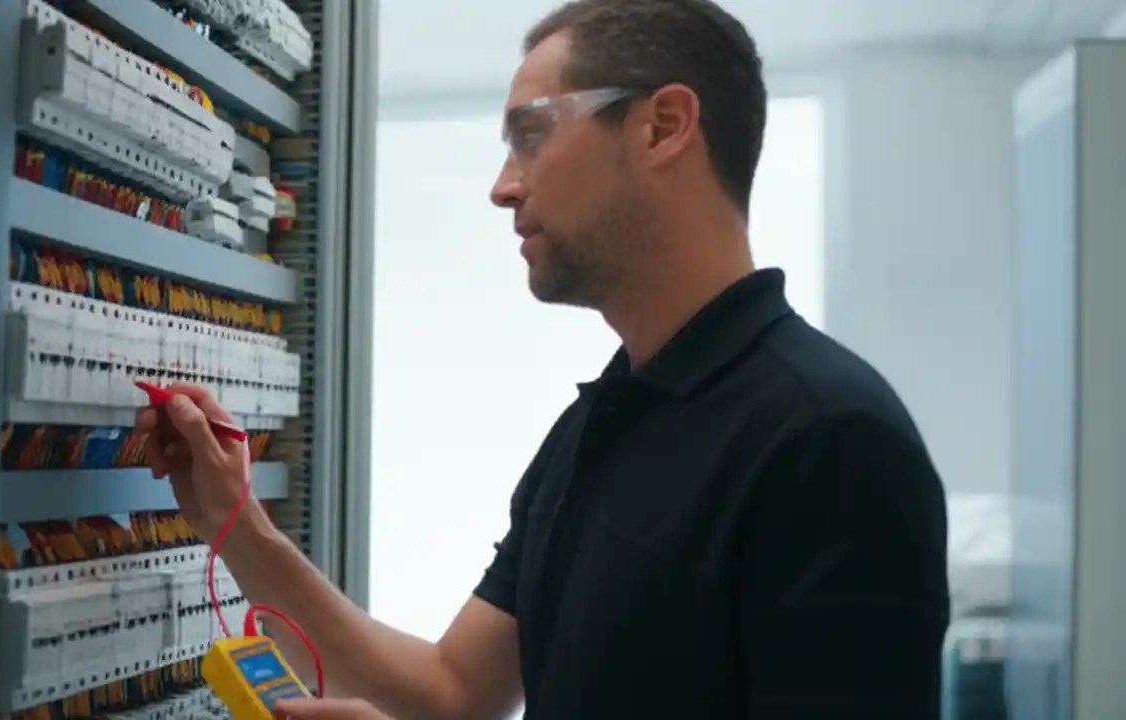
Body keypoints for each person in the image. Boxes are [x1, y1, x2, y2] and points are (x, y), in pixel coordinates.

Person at [137, 0, 950, 717]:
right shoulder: (602, 423)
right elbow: (453, 693)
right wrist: (235, 524)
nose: (503, 186)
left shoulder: (829, 439)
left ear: (663, 126)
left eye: (530, 135)